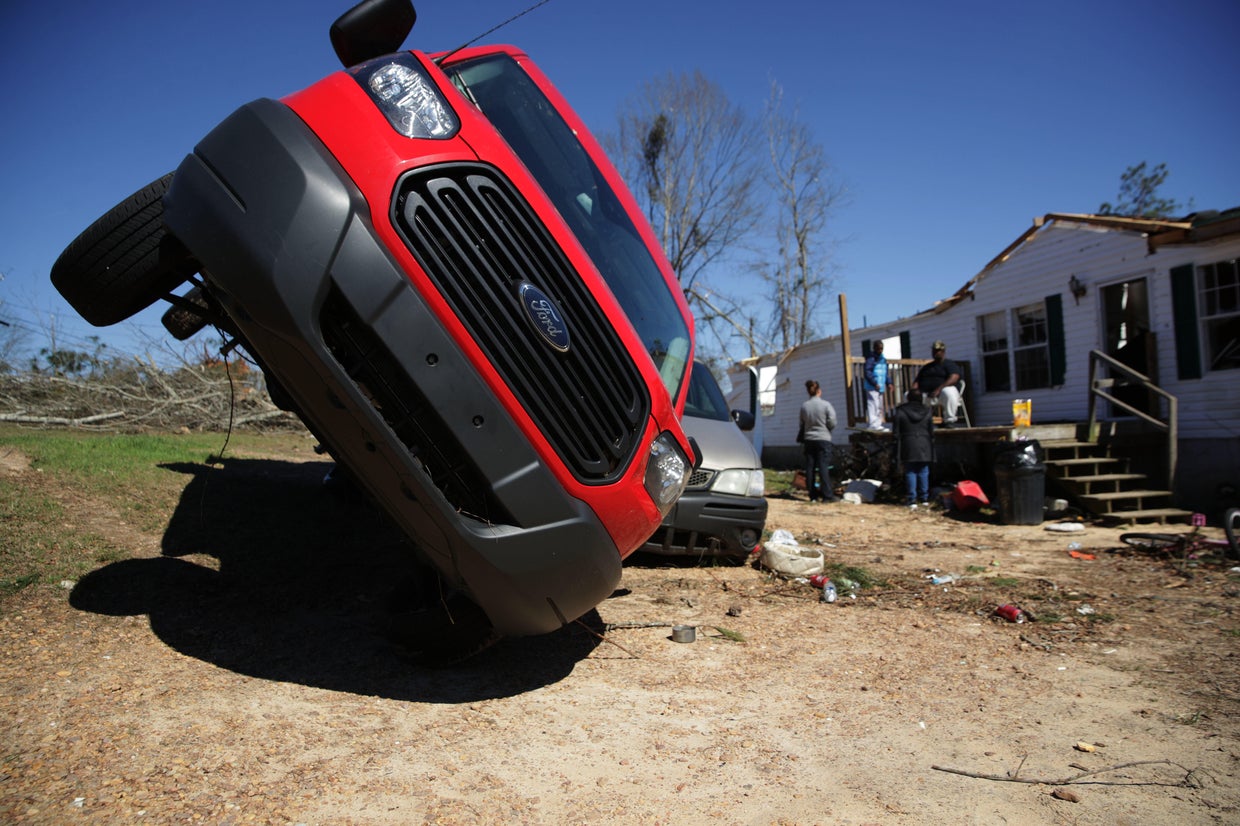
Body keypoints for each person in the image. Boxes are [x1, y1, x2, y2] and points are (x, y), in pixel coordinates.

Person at [892, 388, 934, 508]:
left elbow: (896, 430)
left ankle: (912, 500)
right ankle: (924, 498)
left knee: (910, 471)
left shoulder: (901, 410)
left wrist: (895, 442)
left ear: (908, 398)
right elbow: (931, 429)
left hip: (908, 442)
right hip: (924, 442)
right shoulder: (927, 410)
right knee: (924, 471)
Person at [798, 379, 838, 503]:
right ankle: (827, 495)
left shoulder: (804, 406)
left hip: (809, 439)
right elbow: (832, 421)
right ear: (819, 391)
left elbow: (801, 423)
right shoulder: (826, 405)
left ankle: (812, 495)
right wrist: (828, 429)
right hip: (823, 438)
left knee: (810, 467)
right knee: (823, 467)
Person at [912, 340, 963, 427]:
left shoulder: (950, 364)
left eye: (937, 350)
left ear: (943, 352)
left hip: (941, 394)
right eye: (933, 350)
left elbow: (954, 378)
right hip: (926, 394)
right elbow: (917, 381)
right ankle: (915, 421)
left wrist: (939, 389)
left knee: (949, 391)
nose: (935, 352)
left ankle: (949, 421)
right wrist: (913, 390)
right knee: (907, 395)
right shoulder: (927, 367)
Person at [863, 341, 889, 431]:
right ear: (874, 348)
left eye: (881, 348)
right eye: (878, 348)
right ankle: (872, 424)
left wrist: (889, 383)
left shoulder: (883, 359)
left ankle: (878, 424)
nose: (880, 350)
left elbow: (885, 373)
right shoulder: (871, 359)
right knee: (873, 404)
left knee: (879, 406)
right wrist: (874, 383)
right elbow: (867, 372)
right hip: (872, 386)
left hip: (880, 386)